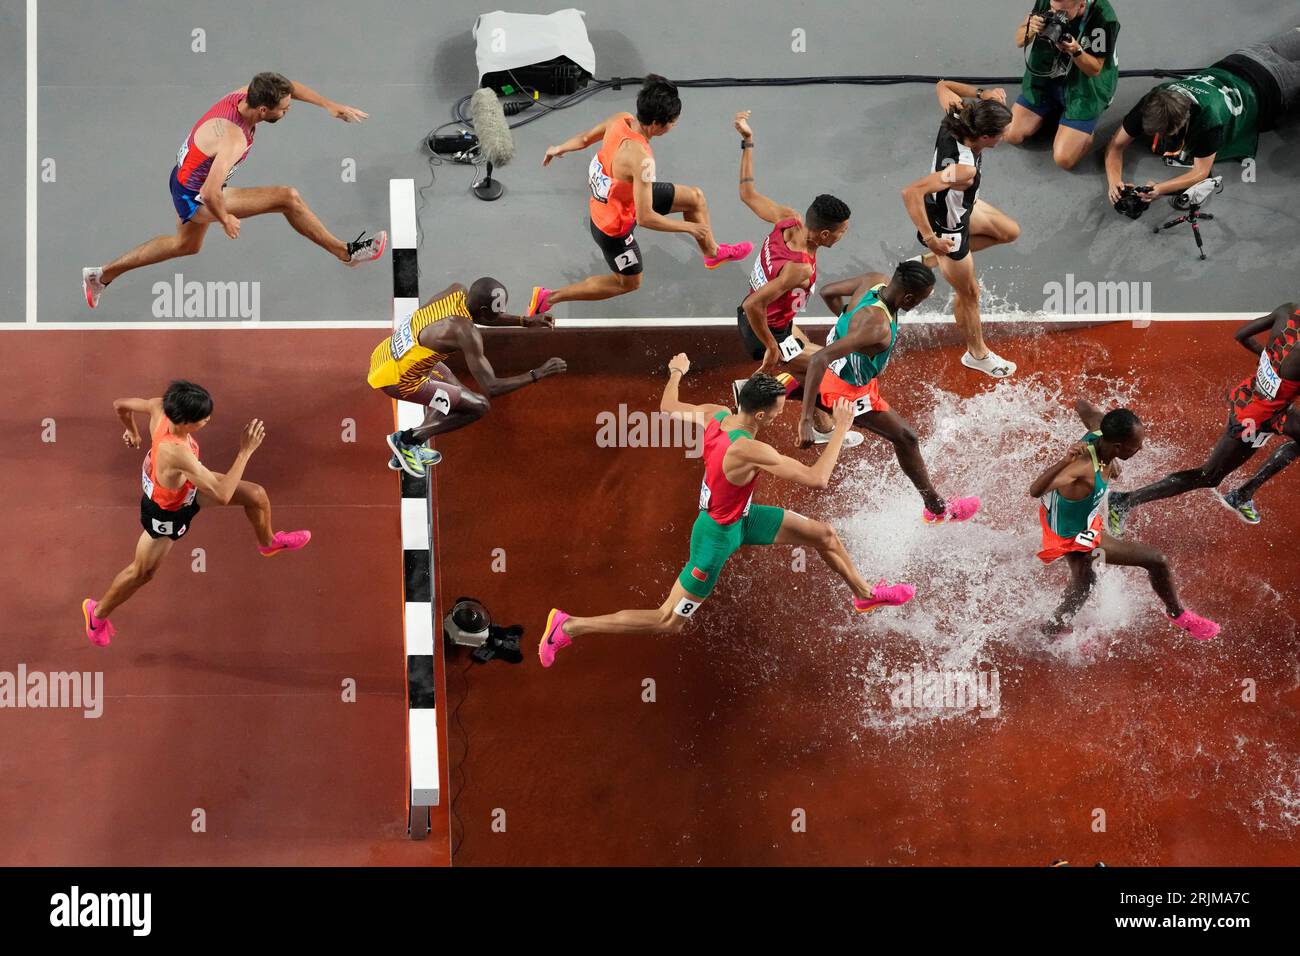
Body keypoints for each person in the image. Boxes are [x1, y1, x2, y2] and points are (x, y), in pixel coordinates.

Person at [537, 357, 916, 668]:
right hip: (715, 537)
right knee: (668, 621)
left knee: (824, 535)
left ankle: (865, 594)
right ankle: (570, 626)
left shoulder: (716, 415)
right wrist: (841, 429)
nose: (780, 415)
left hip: (742, 517)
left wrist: (676, 372)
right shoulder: (751, 450)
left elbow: (668, 407)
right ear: (764, 416)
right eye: (779, 411)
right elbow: (817, 479)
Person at [82, 72, 385, 308]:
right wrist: (226, 219)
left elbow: (289, 85)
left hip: (183, 177)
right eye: (284, 109)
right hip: (197, 196)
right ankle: (346, 254)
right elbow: (213, 193)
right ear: (264, 109)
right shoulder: (233, 137)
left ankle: (101, 275)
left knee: (185, 246)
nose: (288, 110)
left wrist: (328, 105)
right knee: (287, 198)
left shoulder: (244, 95)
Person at [82, 381, 311, 646]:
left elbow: (120, 406)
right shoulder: (176, 452)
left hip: (188, 487)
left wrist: (132, 432)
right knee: (141, 574)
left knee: (256, 496)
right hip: (166, 513)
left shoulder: (160, 407)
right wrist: (246, 450)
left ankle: (268, 543)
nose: (208, 421)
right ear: (185, 423)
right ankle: (96, 614)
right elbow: (222, 493)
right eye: (204, 420)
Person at [524, 75, 751, 317]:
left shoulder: (620, 119)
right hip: (613, 228)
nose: (674, 125)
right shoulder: (641, 159)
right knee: (629, 283)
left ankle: (712, 254)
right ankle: (549, 297)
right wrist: (689, 229)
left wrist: (558, 148)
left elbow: (584, 138)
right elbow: (645, 218)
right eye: (673, 122)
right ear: (657, 124)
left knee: (694, 197)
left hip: (626, 197)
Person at [799, 261, 981, 524]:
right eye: (919, 300)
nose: (918, 304)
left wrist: (847, 327)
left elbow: (828, 291)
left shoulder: (875, 280)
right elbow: (819, 361)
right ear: (908, 297)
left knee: (905, 437)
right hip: (845, 390)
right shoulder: (876, 326)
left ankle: (790, 385)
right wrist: (805, 420)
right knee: (906, 438)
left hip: (858, 379)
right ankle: (936, 508)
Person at [1031, 400, 1218, 640]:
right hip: (1072, 534)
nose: (1140, 448)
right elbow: (1036, 490)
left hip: (1072, 518)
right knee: (1156, 560)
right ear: (1118, 446)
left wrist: (1071, 396)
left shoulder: (1101, 431)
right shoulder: (1082, 467)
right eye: (1135, 446)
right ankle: (1178, 615)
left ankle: (1051, 629)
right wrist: (1066, 460)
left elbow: (1085, 408)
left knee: (1085, 583)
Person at [1108, 303, 1300, 532]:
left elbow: (1241, 335)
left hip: (1251, 394)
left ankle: (1244, 493)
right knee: (1208, 476)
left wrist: (1268, 359)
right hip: (1254, 419)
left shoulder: (1289, 310)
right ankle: (1124, 501)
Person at [369, 278, 565, 477]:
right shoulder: (465, 332)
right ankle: (407, 441)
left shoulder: (457, 290)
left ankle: (412, 443)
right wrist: (539, 373)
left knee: (458, 392)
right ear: (483, 310)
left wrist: (524, 321)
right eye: (496, 313)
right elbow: (492, 387)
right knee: (478, 405)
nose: (499, 316)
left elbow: (481, 316)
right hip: (399, 380)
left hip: (387, 355)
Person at [1104, 27, 1300, 206]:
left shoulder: (1208, 120)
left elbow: (1200, 172)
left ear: (1182, 121)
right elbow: (1116, 145)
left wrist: (1160, 189)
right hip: (1248, 58)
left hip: (1273, 84)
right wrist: (1114, 183)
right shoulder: (1156, 99)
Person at [903, 86, 1020, 378]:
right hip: (948, 227)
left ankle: (927, 260)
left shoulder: (957, 114)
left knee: (1009, 232)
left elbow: (942, 85)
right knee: (969, 294)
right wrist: (932, 238)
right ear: (984, 137)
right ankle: (976, 353)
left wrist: (983, 95)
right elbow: (911, 192)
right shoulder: (963, 171)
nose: (1005, 137)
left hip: (966, 207)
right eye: (1001, 133)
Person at [1004, 0, 1121, 169]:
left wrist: (1076, 51)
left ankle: (1085, 133)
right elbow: (1019, 41)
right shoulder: (1051, 2)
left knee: (1064, 159)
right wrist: (1030, 28)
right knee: (1010, 134)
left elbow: (1094, 69)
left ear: (1081, 5)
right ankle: (1056, 111)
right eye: (1052, 9)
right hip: (1046, 80)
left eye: (1063, 12)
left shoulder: (1103, 18)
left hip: (1084, 87)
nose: (1056, 14)